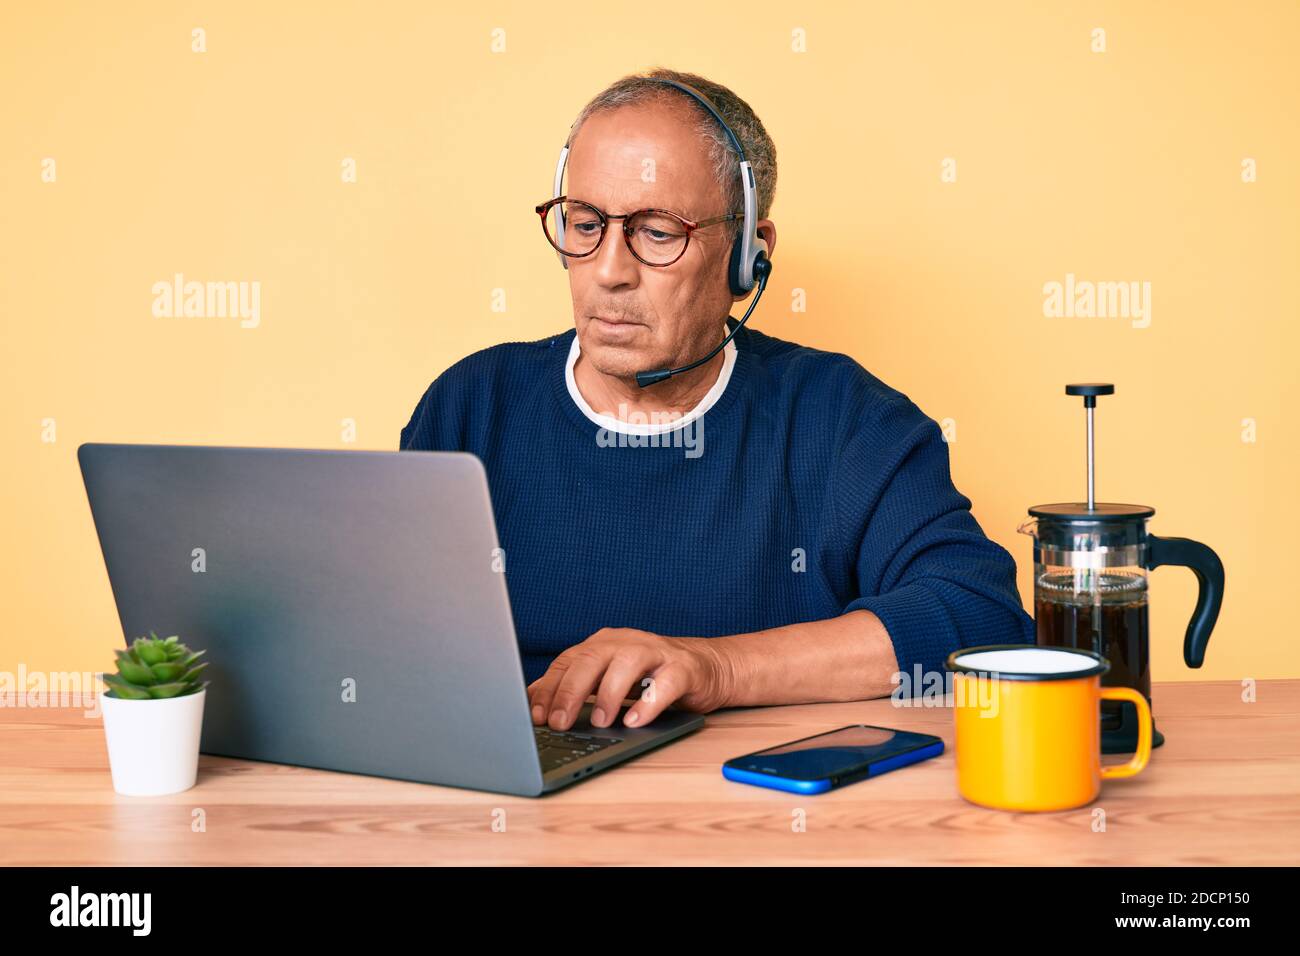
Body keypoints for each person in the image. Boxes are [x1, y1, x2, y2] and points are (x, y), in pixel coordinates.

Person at [400, 67, 1033, 733]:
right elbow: (384, 638)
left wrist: (717, 669)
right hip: (512, 808)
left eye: (657, 232)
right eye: (585, 224)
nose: (609, 271)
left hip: (753, 814)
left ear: (748, 259)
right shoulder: (468, 407)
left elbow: (981, 620)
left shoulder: (849, 422)